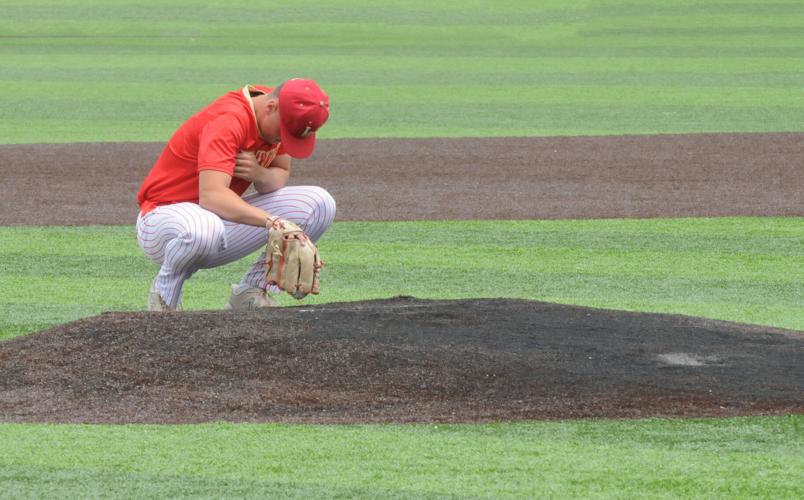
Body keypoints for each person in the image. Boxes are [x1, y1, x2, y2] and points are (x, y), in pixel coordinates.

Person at [135, 79, 336, 311]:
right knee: (203, 228)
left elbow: (279, 174)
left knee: (320, 204)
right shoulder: (229, 120)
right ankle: (165, 298)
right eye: (284, 133)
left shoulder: (281, 111)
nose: (284, 140)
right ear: (271, 107)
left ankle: (250, 293)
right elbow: (212, 196)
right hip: (162, 220)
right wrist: (274, 222)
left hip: (216, 221)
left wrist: (259, 173)